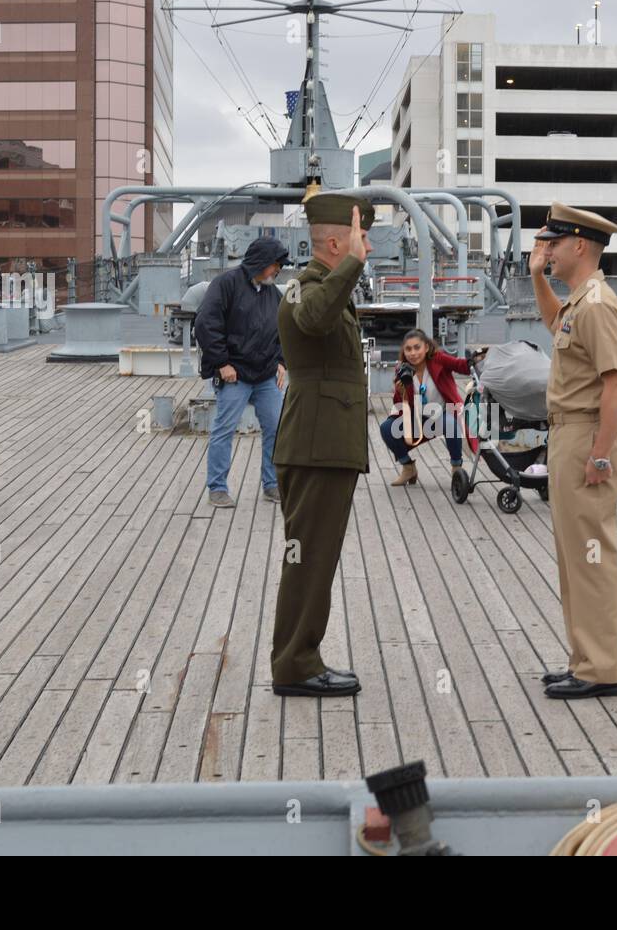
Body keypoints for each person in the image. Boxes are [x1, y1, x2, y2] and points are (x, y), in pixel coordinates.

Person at [269, 194, 372, 698]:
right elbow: (314, 320)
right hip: (317, 446)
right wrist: (353, 264)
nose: (366, 247)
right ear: (337, 242)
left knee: (308, 558)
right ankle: (295, 665)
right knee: (308, 559)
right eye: (359, 239)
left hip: (319, 443)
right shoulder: (306, 291)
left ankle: (297, 657)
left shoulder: (311, 288)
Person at [528, 203, 617, 700]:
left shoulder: (598, 305)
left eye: (553, 242)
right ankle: (584, 658)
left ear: (579, 246)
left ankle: (601, 668)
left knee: (591, 556)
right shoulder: (578, 303)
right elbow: (556, 327)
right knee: (574, 557)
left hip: (587, 437)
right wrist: (537, 279)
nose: (545, 249)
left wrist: (601, 454)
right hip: (568, 436)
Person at [195, 237, 289, 508]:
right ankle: (217, 488)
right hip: (234, 372)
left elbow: (284, 329)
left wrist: (282, 361)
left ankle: (272, 485)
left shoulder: (273, 294)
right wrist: (222, 363)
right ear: (261, 263)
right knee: (224, 429)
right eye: (275, 265)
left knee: (275, 428)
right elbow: (205, 324)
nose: (278, 270)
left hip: (267, 374)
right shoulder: (226, 284)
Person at [379, 328, 471, 486]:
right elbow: (399, 405)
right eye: (408, 349)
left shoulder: (438, 359)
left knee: (451, 424)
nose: (413, 353)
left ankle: (456, 468)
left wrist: (475, 360)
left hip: (442, 415)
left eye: (417, 347)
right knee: (387, 428)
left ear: (426, 347)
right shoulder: (403, 370)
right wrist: (400, 392)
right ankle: (408, 468)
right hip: (419, 419)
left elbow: (460, 365)